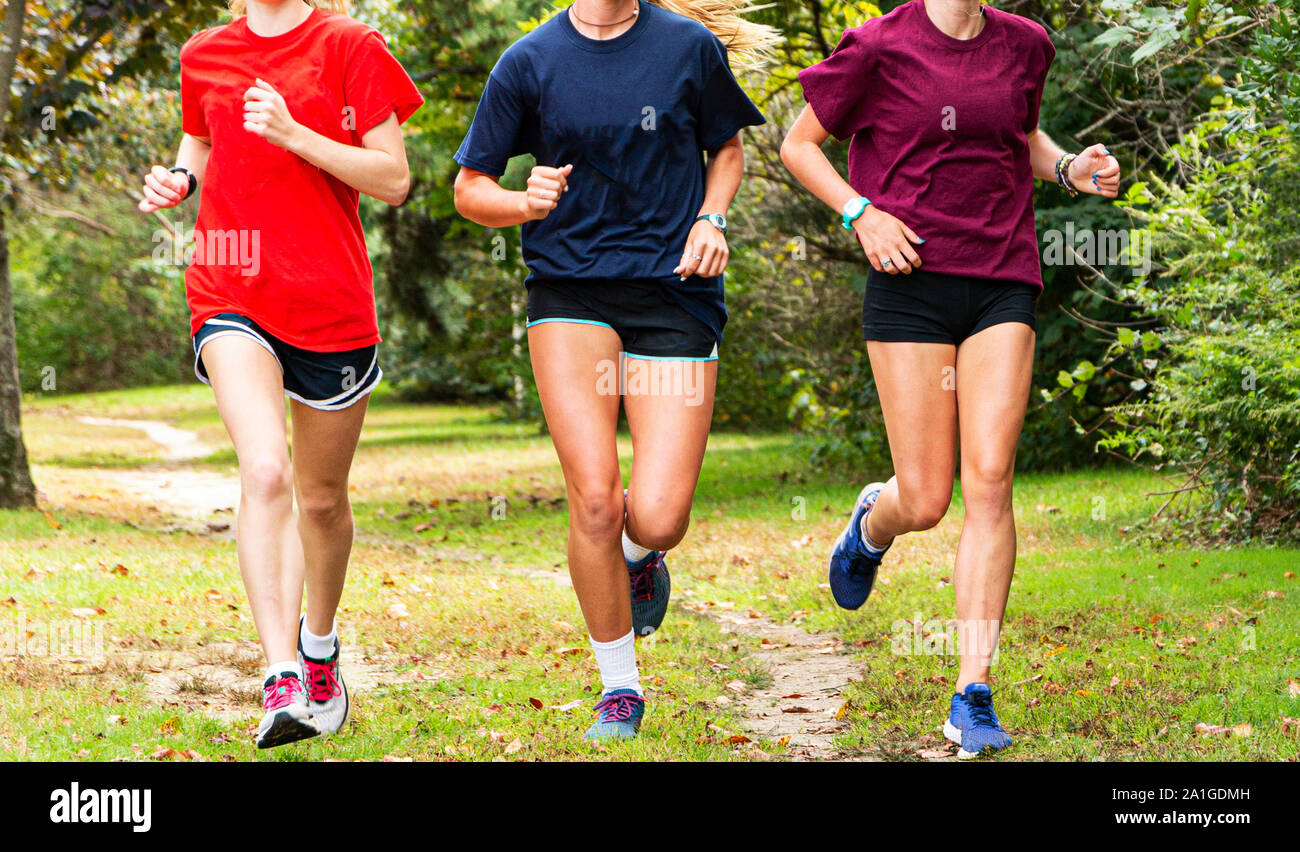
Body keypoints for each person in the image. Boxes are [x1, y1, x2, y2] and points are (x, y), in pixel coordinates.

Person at [781, 0, 1120, 758]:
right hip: (909, 285)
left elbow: (1019, 135)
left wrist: (1068, 166)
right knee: (927, 497)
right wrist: (859, 213)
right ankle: (874, 522)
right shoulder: (877, 46)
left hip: (1002, 278)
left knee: (991, 477)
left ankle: (973, 692)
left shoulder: (1025, 44)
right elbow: (799, 146)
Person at [452, 0, 773, 740]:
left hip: (674, 292)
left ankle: (637, 559)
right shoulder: (528, 61)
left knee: (658, 516)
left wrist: (711, 218)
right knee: (595, 500)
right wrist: (518, 203)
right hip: (569, 290)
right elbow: (471, 189)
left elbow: (727, 149)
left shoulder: (688, 46)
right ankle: (620, 687)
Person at [137, 0, 423, 748]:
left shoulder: (350, 45)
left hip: (329, 299)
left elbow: (393, 179)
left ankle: (320, 647)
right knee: (265, 471)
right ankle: (281, 676)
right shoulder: (204, 52)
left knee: (322, 501)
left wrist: (297, 134)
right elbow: (199, 137)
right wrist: (178, 179)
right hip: (230, 282)